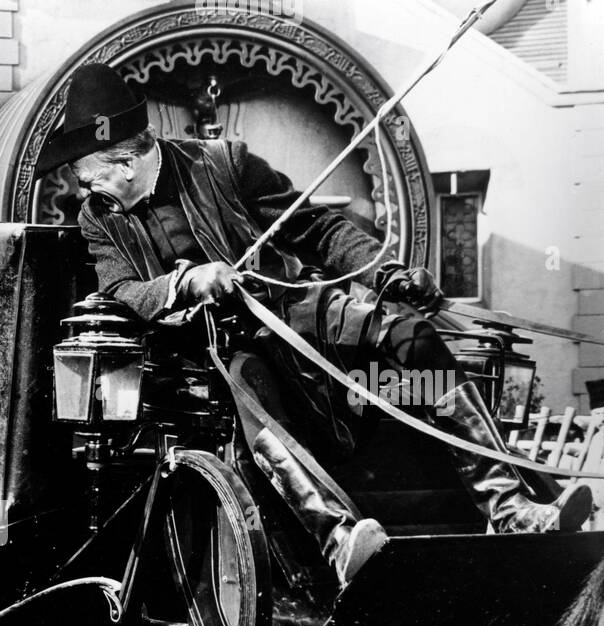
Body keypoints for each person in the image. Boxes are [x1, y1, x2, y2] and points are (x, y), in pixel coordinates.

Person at [38, 64, 592, 584]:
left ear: (126, 163)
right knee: (250, 389)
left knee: (413, 339)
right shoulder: (99, 218)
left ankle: (510, 508)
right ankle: (341, 542)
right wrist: (184, 284)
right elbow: (122, 290)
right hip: (212, 355)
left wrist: (388, 275)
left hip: (298, 315)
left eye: (90, 180)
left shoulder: (224, 163)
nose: (86, 194)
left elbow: (320, 230)